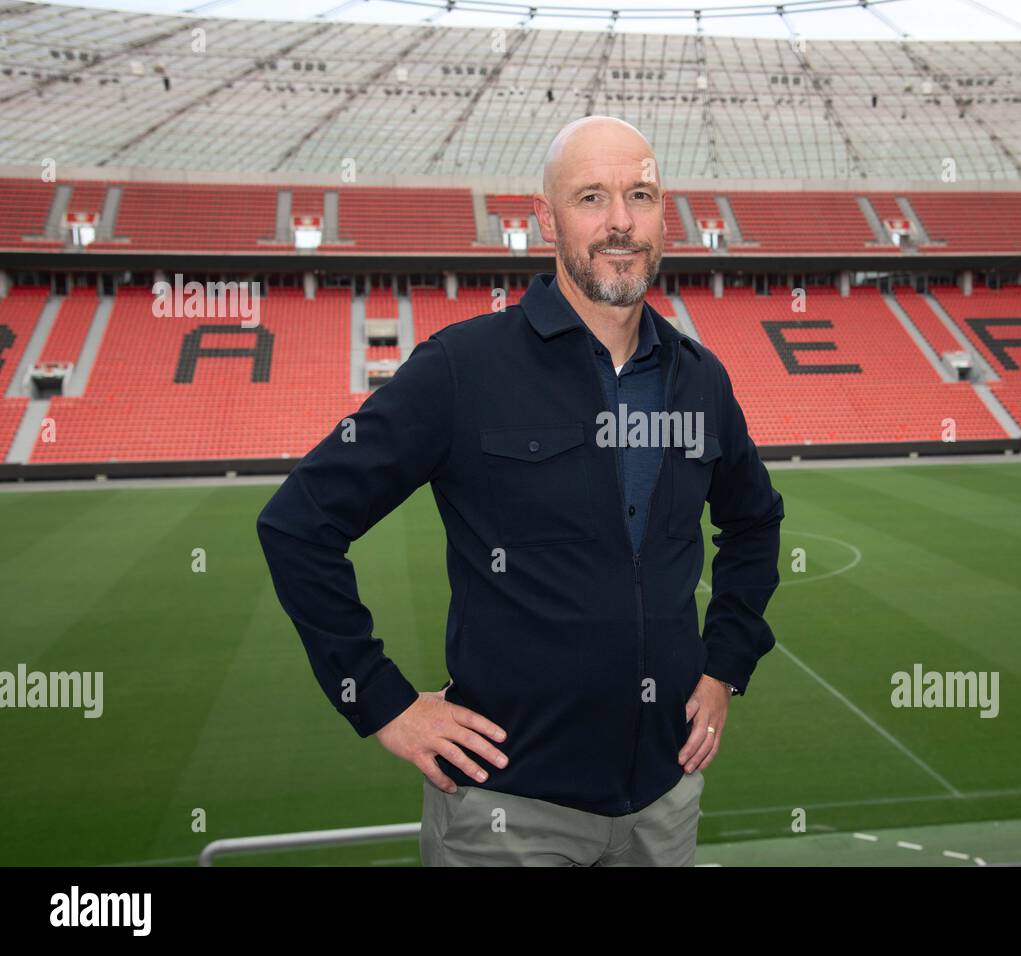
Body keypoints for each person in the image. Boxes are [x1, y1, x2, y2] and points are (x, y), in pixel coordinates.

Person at [256, 114, 784, 866]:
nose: (622, 223)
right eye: (592, 198)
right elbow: (297, 524)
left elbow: (755, 523)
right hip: (507, 815)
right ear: (546, 218)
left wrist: (726, 664)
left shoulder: (698, 378)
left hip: (665, 805)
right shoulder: (462, 367)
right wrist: (382, 703)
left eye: (641, 194)